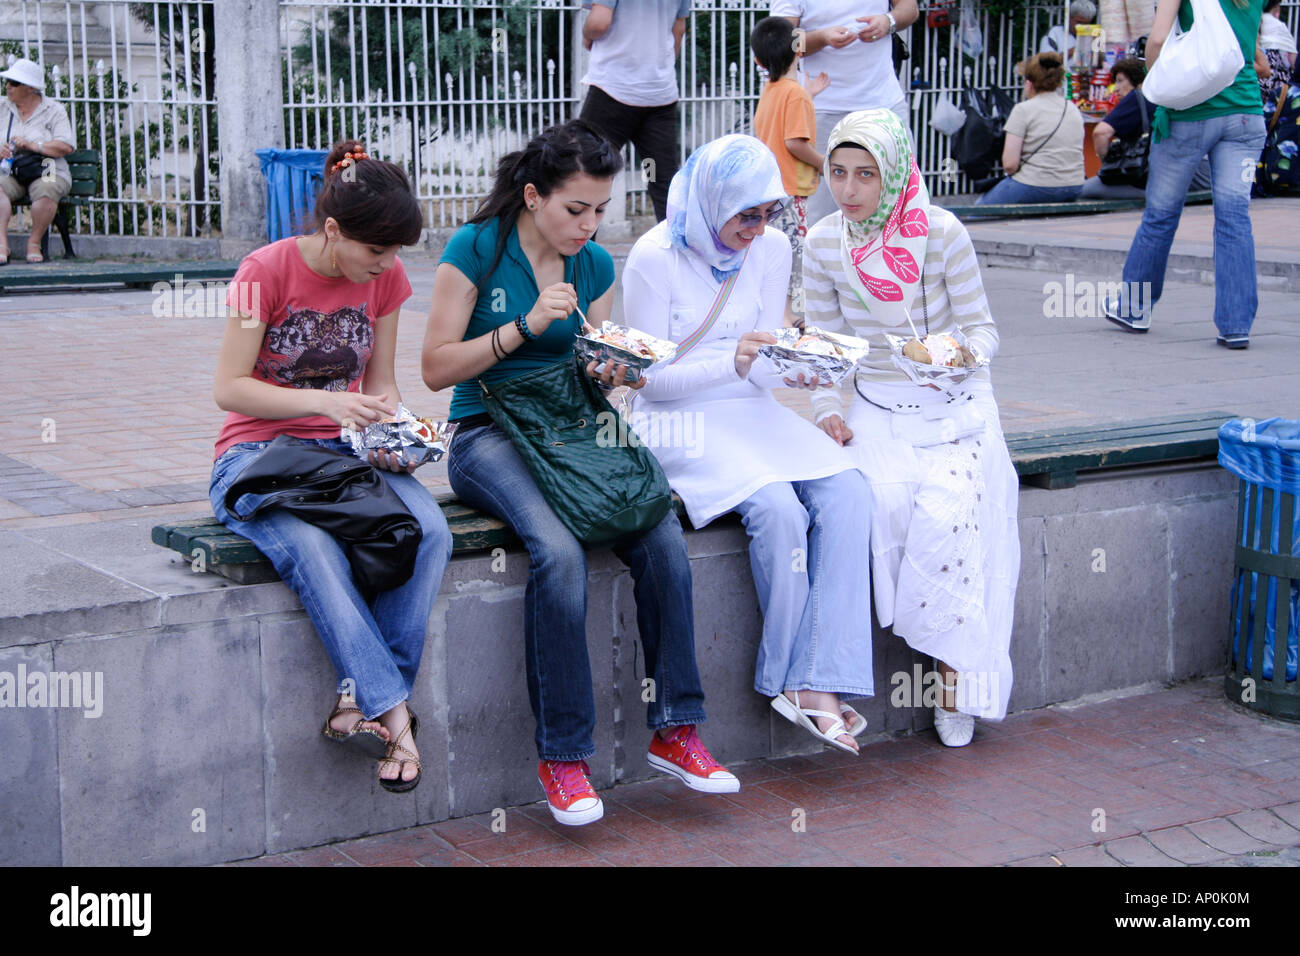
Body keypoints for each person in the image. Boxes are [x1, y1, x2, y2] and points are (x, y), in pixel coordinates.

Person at [422, 119, 739, 827]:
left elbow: (592, 366)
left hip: (571, 426)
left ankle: (676, 729)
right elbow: (436, 368)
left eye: (600, 209)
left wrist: (613, 371)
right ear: (534, 196)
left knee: (661, 534)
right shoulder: (476, 249)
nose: (589, 225)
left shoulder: (593, 264)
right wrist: (525, 327)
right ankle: (563, 758)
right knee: (559, 551)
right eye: (576, 209)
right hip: (487, 431)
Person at [211, 140, 453, 793]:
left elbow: (381, 384)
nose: (388, 264)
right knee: (316, 550)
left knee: (431, 531)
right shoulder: (264, 271)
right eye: (376, 250)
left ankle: (360, 699)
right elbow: (230, 388)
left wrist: (396, 433)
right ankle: (395, 716)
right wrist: (326, 402)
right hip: (259, 457)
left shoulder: (386, 280)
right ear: (333, 230)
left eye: (396, 251)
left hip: (347, 453)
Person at [622, 134, 876, 755]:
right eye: (746, 215)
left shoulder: (770, 249)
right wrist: (729, 364)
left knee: (849, 490)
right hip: (678, 418)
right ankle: (793, 679)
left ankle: (818, 678)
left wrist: (799, 369)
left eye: (768, 214)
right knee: (779, 508)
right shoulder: (655, 256)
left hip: (750, 408)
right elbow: (647, 381)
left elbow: (762, 364)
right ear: (713, 201)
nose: (758, 230)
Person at [802, 109, 1018, 747]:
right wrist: (827, 410)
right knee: (879, 507)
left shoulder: (941, 232)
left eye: (866, 174)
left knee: (950, 513)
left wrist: (951, 354)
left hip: (955, 402)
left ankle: (952, 685)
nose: (848, 189)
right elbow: (824, 346)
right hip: (877, 404)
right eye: (838, 172)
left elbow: (983, 332)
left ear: (894, 173)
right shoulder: (823, 242)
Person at [1102, 0, 1267, 348]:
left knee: (1161, 215)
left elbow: (1157, 40)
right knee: (1235, 217)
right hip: (1246, 115)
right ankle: (1236, 326)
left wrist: (1156, 83)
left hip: (1189, 115)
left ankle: (1133, 308)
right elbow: (1254, 50)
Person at [773, 0, 921, 226]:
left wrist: (888, 20)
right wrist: (822, 38)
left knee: (903, 204)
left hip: (885, 105)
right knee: (823, 216)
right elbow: (780, 41)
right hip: (823, 109)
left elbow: (910, 9)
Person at [577, 0, 691, 222]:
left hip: (612, 91)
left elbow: (598, 23)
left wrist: (587, 35)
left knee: (589, 173)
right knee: (660, 179)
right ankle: (673, 241)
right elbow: (678, 30)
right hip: (659, 94)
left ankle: (581, 244)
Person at [750, 15, 830, 326]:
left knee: (774, 252)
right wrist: (824, 164)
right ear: (799, 49)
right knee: (793, 256)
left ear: (759, 61)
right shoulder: (794, 94)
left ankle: (778, 313)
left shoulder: (772, 89)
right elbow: (794, 142)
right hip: (791, 190)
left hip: (771, 189)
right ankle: (788, 318)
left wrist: (809, 94)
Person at [977, 52, 1084, 205]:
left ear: (1029, 83)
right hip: (1074, 186)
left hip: (1035, 185)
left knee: (980, 208)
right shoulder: (1072, 109)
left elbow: (1010, 165)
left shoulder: (1023, 110)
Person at [0, 58, 75, 264]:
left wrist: (33, 146)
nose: (8, 86)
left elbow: (66, 146)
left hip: (47, 165)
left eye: (14, 83)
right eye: (7, 81)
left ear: (31, 88)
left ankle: (34, 243)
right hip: (12, 168)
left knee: (47, 188)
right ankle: (1, 244)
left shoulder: (54, 110)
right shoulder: (2, 107)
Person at [1040, 0, 1097, 68]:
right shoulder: (1054, 33)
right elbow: (1046, 63)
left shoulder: (1092, 34)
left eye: (1086, 23)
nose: (1082, 27)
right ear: (1069, 18)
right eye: (1079, 22)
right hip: (1061, 74)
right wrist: (1076, 49)